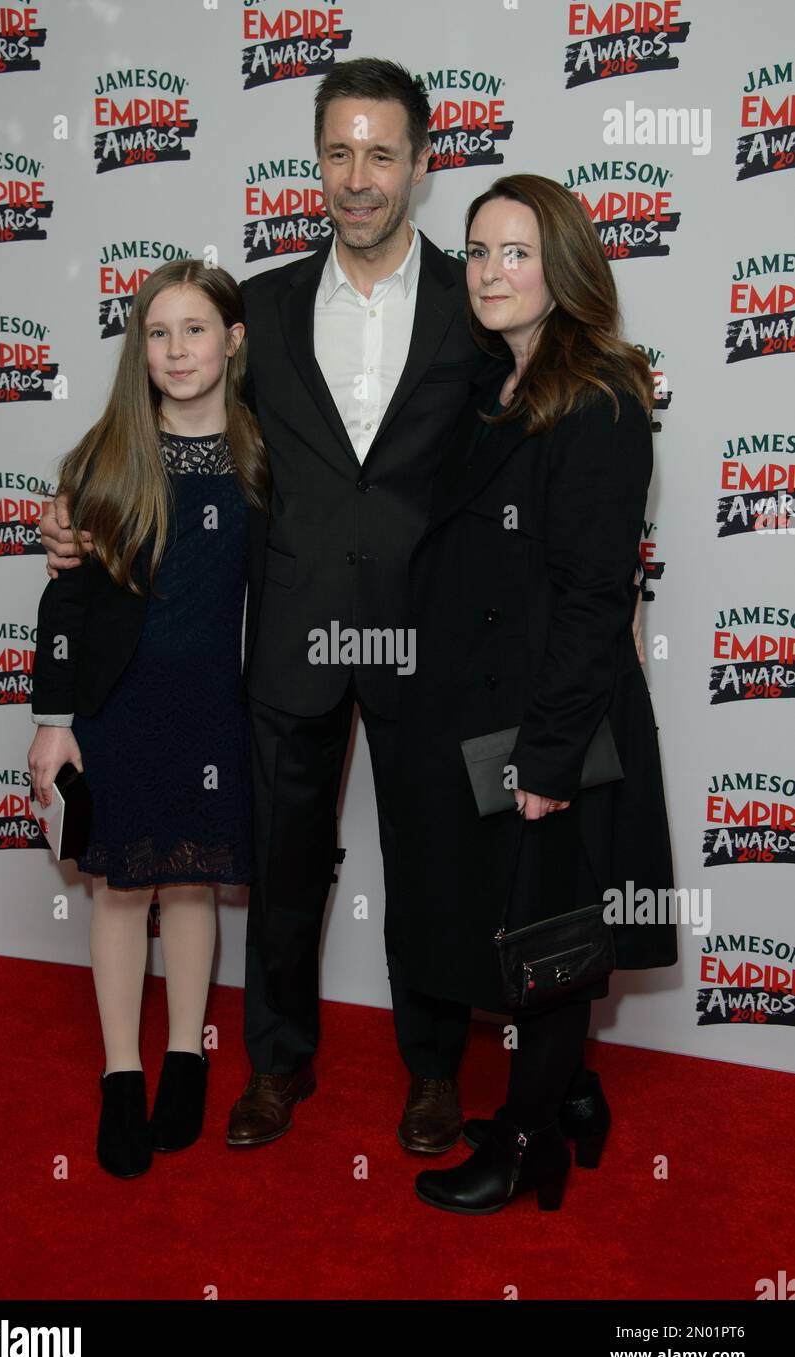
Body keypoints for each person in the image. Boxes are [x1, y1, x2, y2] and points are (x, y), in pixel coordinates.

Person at [39, 59, 645, 1157]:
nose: (356, 177)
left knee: (432, 865)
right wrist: (88, 514)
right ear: (314, 161)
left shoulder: (479, 301)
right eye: (337, 151)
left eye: (381, 153)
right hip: (291, 635)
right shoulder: (258, 309)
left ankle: (429, 1071)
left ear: (420, 164)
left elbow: (547, 440)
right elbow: (174, 413)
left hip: (437, 644)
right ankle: (275, 1064)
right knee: (280, 867)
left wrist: (606, 589)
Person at [390, 174, 677, 1215]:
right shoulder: (489, 389)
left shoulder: (597, 395)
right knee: (519, 923)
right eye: (475, 252)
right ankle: (572, 1099)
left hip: (562, 719)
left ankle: (526, 1143)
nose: (491, 273)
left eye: (515, 252)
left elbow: (594, 593)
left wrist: (551, 756)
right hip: (485, 715)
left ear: (562, 267)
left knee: (548, 938)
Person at [28, 260, 267, 1178]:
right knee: (123, 889)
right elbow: (68, 604)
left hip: (216, 713)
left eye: (195, 330)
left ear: (232, 341)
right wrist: (55, 720)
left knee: (194, 886)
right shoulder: (106, 458)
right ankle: (121, 1070)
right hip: (117, 709)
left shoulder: (261, 457)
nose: (175, 351)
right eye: (157, 333)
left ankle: (186, 1055)